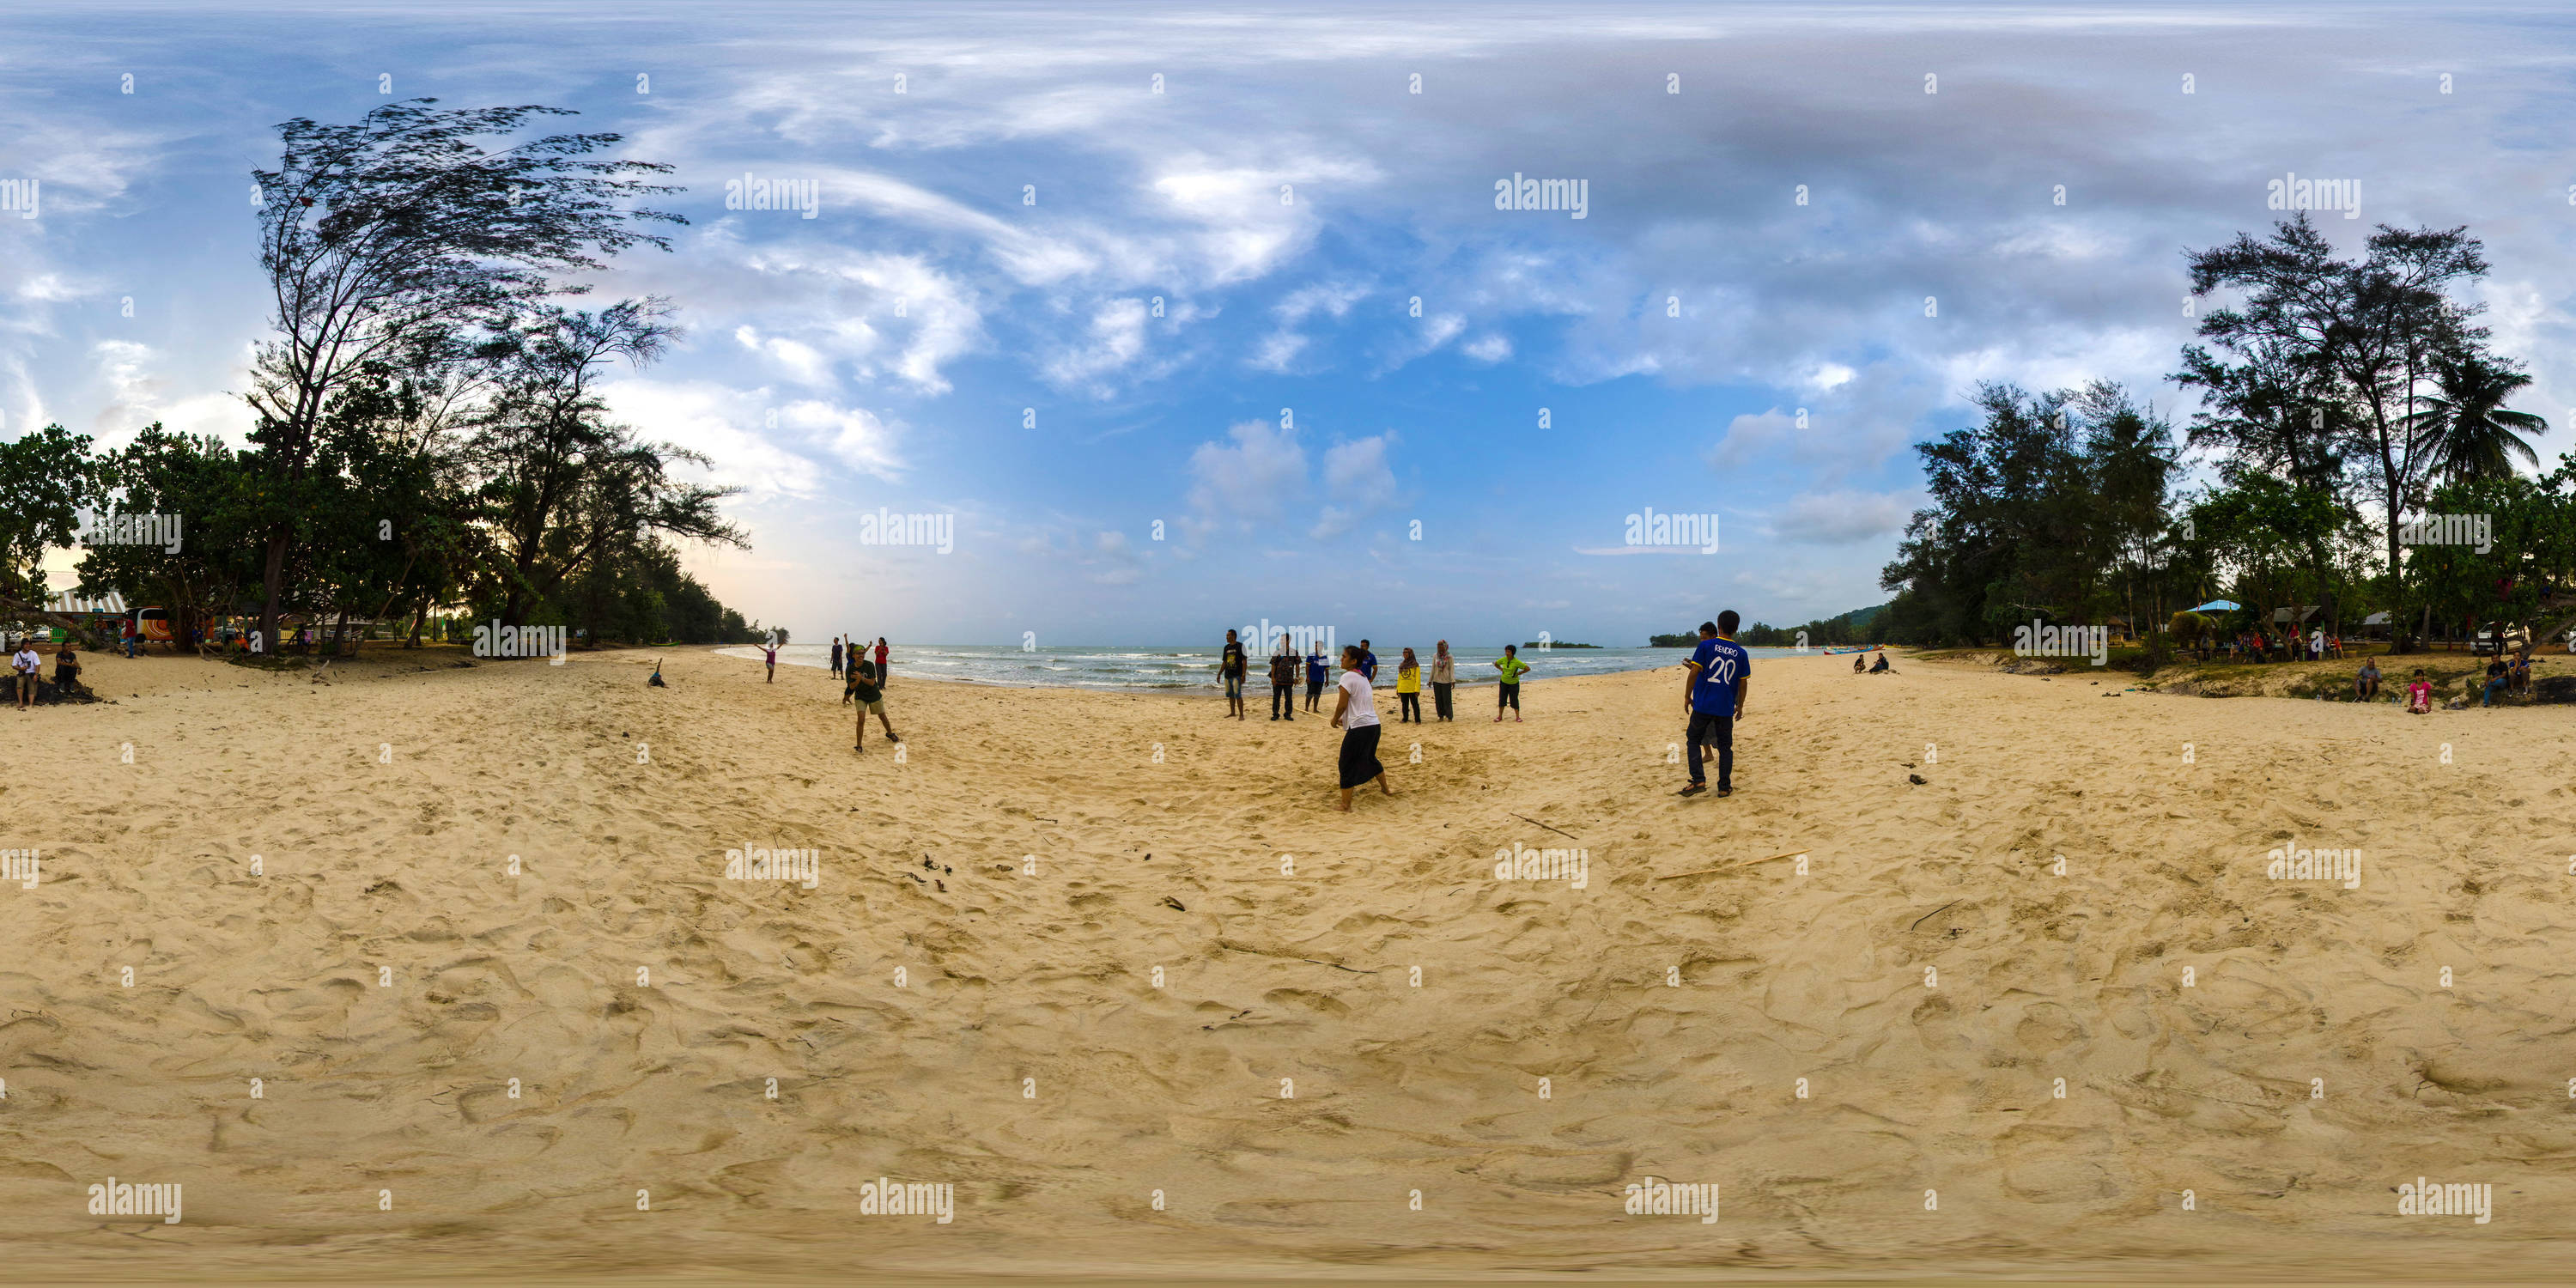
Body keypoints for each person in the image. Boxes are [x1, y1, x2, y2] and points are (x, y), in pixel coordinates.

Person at [1678, 614, 1752, 799]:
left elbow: (1694, 673)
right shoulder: (1741, 653)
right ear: (1736, 629)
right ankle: (1724, 787)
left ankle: (1698, 780)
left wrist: (1687, 696)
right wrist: (1740, 706)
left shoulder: (1705, 646)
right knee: (1726, 747)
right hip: (1725, 707)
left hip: (1703, 705)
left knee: (1693, 740)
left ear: (1718, 627)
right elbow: (1743, 684)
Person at [1329, 644, 1393, 811]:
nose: (1341, 659)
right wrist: (1345, 719)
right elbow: (1360, 705)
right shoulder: (1363, 677)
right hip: (1373, 726)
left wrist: (1335, 718)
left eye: (1344, 657)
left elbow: (1342, 704)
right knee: (1370, 758)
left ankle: (1345, 805)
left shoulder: (1347, 677)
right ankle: (1386, 789)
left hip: (1361, 728)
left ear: (1354, 661)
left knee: (1346, 764)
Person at [850, 657, 901, 751]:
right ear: (853, 655)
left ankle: (890, 733)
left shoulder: (869, 665)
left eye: (862, 653)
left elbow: (872, 683)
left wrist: (861, 678)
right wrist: (857, 680)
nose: (861, 655)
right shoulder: (850, 668)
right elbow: (851, 686)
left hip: (874, 694)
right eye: (858, 653)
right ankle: (859, 746)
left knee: (882, 716)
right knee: (861, 719)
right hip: (860, 696)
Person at [1492, 643, 1528, 721]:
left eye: (1508, 652)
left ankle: (1518, 717)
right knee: (1502, 699)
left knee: (1514, 700)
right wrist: (1501, 669)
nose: (1507, 653)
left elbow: (1527, 669)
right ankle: (1500, 717)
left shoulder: (1517, 662)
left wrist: (1518, 673)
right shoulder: (1503, 659)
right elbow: (1496, 664)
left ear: (1512, 652)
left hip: (1514, 684)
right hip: (1504, 682)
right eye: (1506, 651)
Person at [1268, 633, 1299, 721]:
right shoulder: (1277, 652)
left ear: (1288, 641)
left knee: (1288, 698)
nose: (1281, 641)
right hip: (1278, 680)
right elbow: (1273, 665)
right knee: (1276, 698)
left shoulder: (1294, 652)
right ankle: (1275, 714)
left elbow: (1297, 665)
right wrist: (1273, 678)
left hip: (1289, 680)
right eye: (1281, 640)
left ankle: (1288, 714)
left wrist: (1297, 677)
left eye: (1283, 640)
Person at [1219, 629, 1248, 720]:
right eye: (1226, 636)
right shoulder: (1226, 648)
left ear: (1234, 636)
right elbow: (1224, 662)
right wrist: (1219, 673)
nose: (1226, 637)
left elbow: (1245, 661)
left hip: (1237, 675)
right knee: (1230, 695)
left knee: (1238, 695)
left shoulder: (1240, 646)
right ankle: (1232, 712)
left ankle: (1241, 714)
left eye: (1228, 635)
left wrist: (1243, 675)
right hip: (1228, 675)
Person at [1430, 641, 1455, 720]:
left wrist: (1452, 680)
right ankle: (1440, 716)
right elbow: (1433, 668)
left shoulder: (1449, 656)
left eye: (1441, 645)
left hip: (1446, 681)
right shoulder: (1435, 656)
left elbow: (1451, 669)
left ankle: (1449, 716)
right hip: (1436, 680)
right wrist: (1430, 679)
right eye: (1438, 645)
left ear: (1445, 646)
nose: (1439, 646)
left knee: (1447, 699)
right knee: (1438, 700)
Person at [1394, 647, 1422, 722]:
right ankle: (1405, 719)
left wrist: (1417, 690)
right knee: (1404, 705)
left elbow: (1418, 678)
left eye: (1407, 652)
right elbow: (1399, 678)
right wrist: (1398, 689)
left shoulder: (1415, 665)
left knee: (1415, 705)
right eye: (1404, 652)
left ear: (1410, 654)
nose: (1405, 654)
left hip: (1412, 689)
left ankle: (1417, 720)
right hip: (1403, 688)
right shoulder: (1402, 665)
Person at [11, 638, 38, 710]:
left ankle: (31, 704)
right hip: (22, 673)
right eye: (26, 644)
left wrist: (36, 674)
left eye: (29, 644)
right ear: (22, 645)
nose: (28, 646)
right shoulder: (17, 654)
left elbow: (38, 665)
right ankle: (21, 702)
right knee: (19, 686)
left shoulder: (33, 653)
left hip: (31, 672)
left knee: (32, 688)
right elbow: (13, 665)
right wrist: (21, 669)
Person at [1304, 642, 1328, 714]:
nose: (1317, 647)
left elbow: (1326, 670)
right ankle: (1306, 709)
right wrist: (1308, 677)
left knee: (1317, 695)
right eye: (1316, 646)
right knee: (1309, 694)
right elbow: (1307, 667)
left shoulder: (1324, 657)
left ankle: (1315, 709)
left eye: (1318, 646)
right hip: (1311, 679)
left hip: (1320, 679)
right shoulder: (1311, 656)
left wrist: (1327, 680)